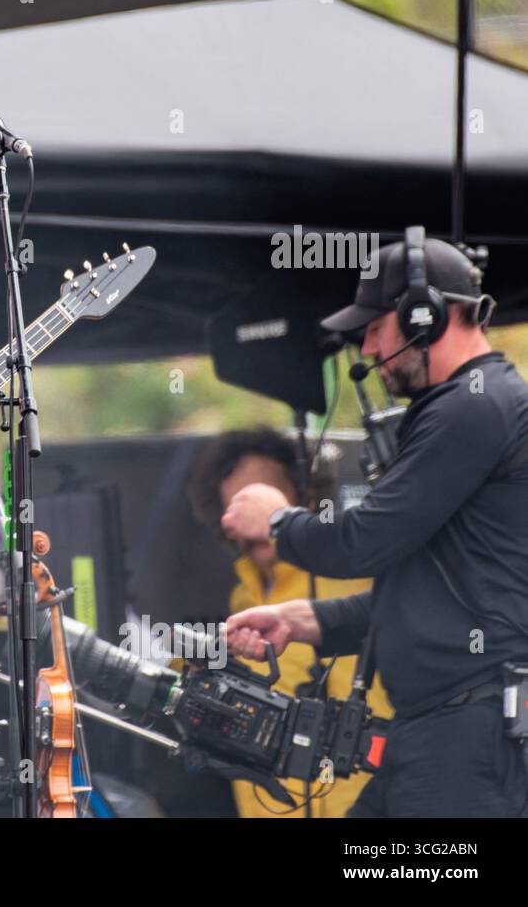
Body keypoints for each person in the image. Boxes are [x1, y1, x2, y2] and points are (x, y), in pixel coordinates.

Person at [222, 234, 528, 817]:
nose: (366, 347)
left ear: (424, 315)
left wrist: (278, 520)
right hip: (441, 732)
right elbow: (423, 588)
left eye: (374, 328)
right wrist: (306, 619)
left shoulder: (474, 406)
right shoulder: (464, 406)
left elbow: (361, 543)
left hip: (467, 738)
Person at [187, 427, 392, 817]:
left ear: (305, 495)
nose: (250, 511)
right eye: (239, 501)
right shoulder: (242, 599)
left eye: (263, 496)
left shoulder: (355, 582)